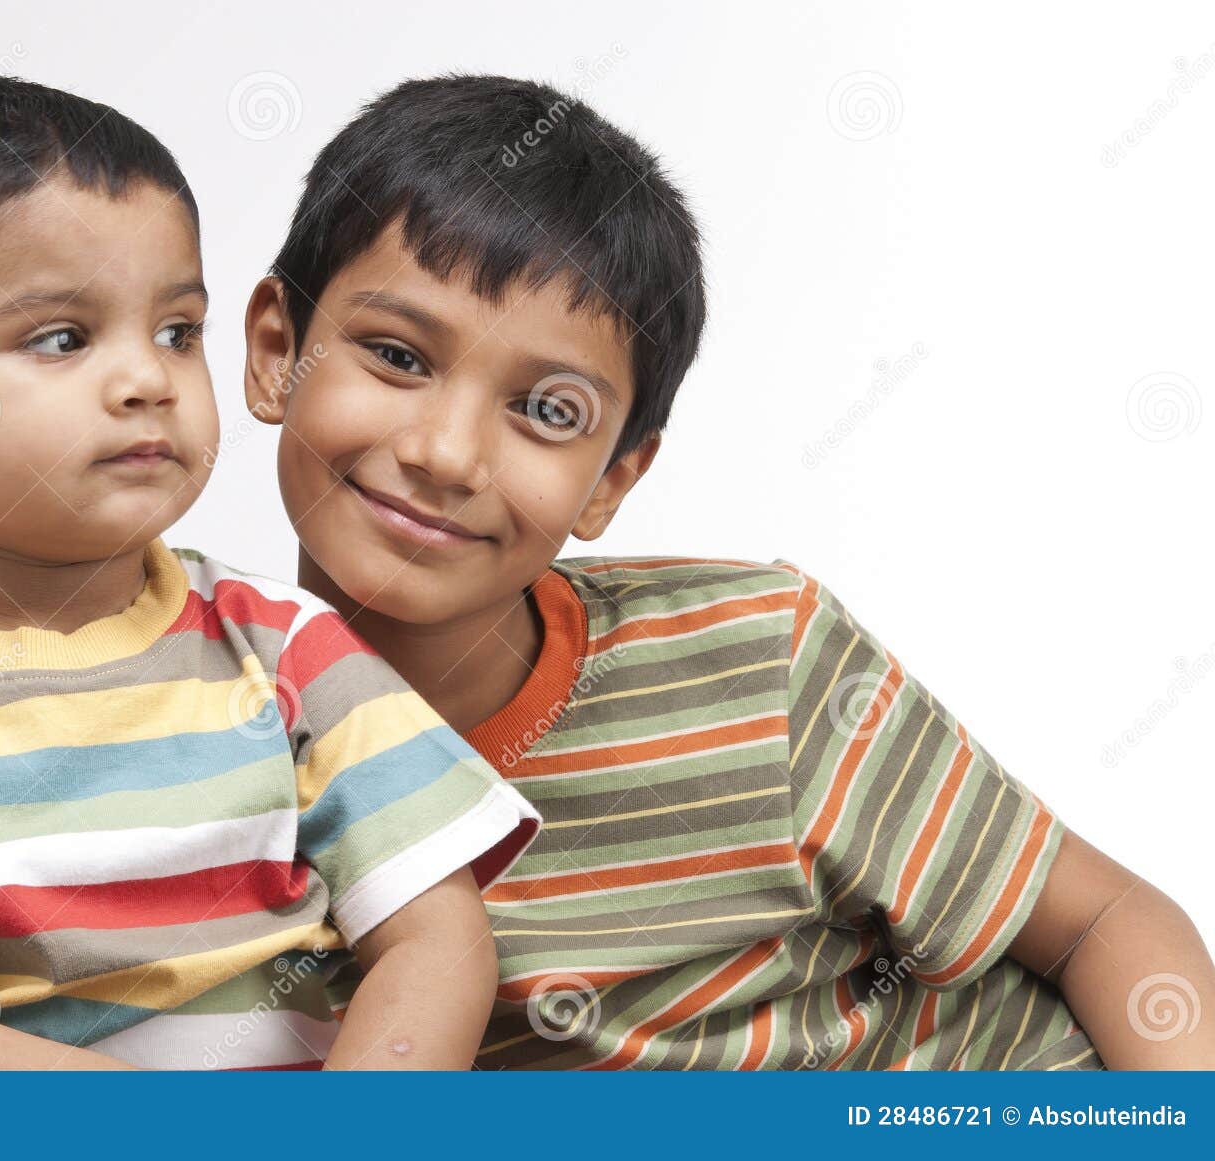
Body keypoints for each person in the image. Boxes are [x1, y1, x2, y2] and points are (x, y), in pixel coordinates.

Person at [240, 74, 1215, 1069]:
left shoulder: (762, 667)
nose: (446, 454)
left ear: (611, 477)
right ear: (279, 352)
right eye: (399, 356)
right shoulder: (177, 761)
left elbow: (1102, 924)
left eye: (545, 412)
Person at [0, 76, 540, 1071]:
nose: (149, 379)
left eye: (177, 332)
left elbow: (436, 935)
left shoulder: (282, 646)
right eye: (63, 338)